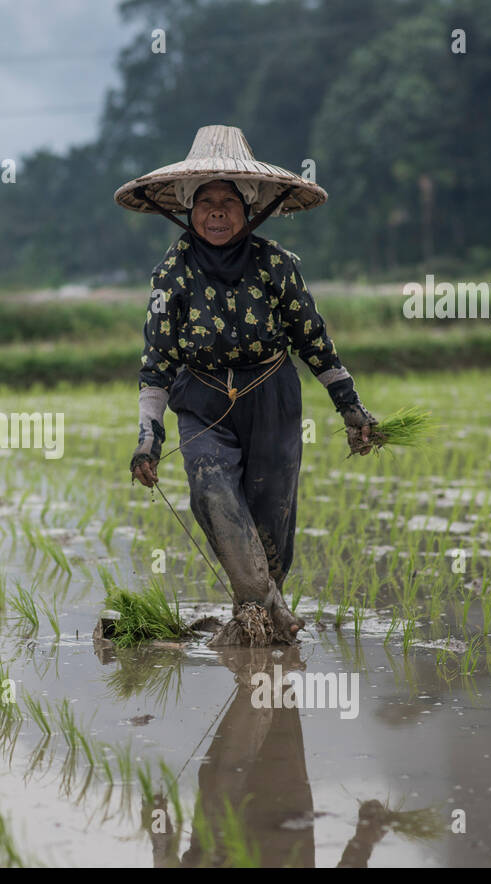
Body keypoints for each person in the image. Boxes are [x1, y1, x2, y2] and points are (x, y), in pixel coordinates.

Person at [114, 125, 378, 644]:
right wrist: (149, 436)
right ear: (188, 211)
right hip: (202, 400)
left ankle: (255, 625)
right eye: (205, 202)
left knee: (272, 514)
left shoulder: (276, 265)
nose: (216, 212)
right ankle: (271, 614)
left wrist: (352, 408)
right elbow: (156, 361)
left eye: (227, 201)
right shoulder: (173, 273)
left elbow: (313, 340)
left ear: (248, 208)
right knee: (212, 491)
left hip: (273, 398)